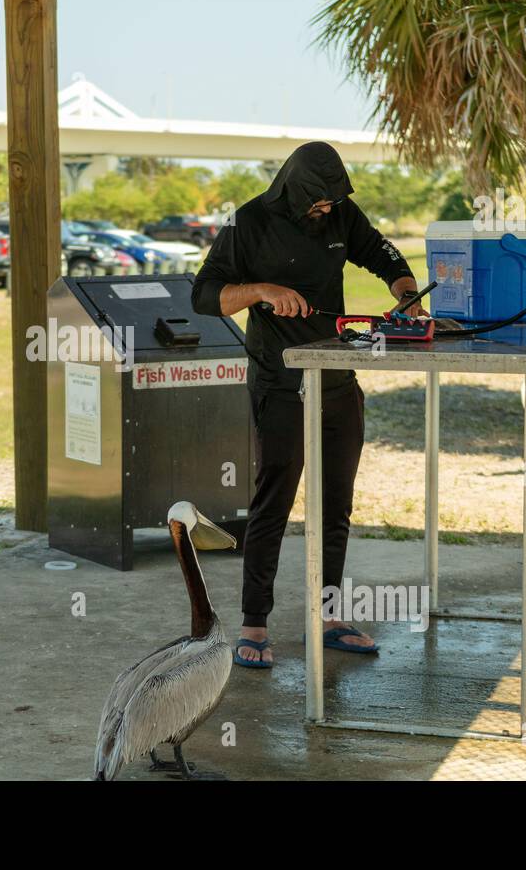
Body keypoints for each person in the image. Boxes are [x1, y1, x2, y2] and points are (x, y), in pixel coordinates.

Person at [191, 141, 421, 668]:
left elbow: (381, 252)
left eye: (331, 205)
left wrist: (404, 287)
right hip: (280, 382)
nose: (325, 212)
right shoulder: (247, 221)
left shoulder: (340, 212)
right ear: (294, 190)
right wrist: (261, 291)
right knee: (274, 502)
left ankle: (330, 616)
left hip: (336, 375)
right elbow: (204, 295)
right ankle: (254, 624)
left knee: (335, 502)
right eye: (317, 205)